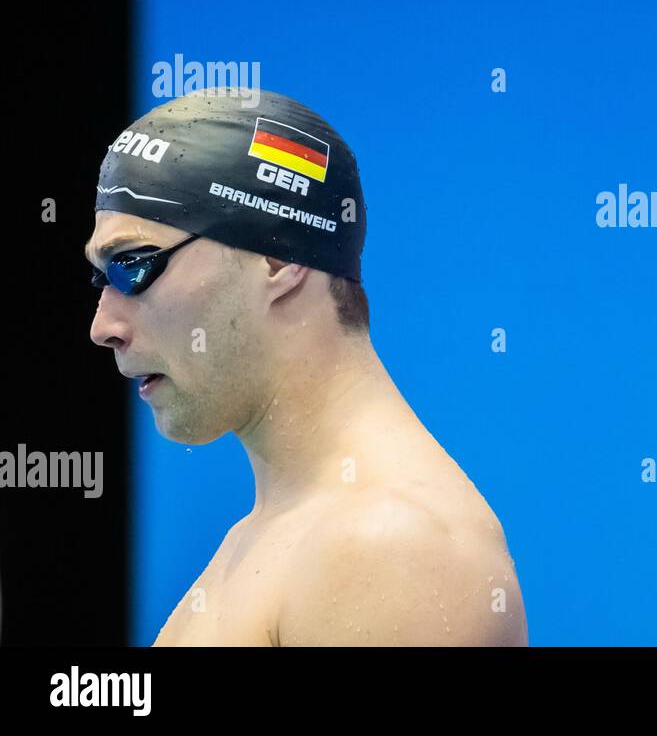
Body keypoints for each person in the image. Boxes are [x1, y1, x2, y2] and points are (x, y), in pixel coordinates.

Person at [87, 87, 526, 645]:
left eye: (132, 264)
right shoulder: (276, 535)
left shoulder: (389, 546)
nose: (103, 327)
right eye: (101, 277)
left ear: (277, 258)